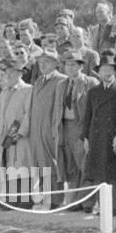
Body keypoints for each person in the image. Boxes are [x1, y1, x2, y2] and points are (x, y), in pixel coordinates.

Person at [79, 51, 116, 213]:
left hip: (112, 137)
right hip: (95, 136)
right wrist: (85, 137)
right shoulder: (93, 92)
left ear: (115, 71)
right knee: (95, 170)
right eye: (104, 69)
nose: (107, 73)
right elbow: (88, 116)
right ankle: (94, 204)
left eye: (110, 69)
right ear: (99, 72)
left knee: (113, 172)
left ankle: (114, 206)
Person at [0, 54, 34, 205]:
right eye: (7, 72)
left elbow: (29, 113)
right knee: (6, 165)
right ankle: (9, 198)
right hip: (4, 137)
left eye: (12, 72)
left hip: (19, 136)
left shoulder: (28, 90)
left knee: (21, 165)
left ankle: (25, 200)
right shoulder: (4, 91)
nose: (8, 75)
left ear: (20, 73)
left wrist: (21, 131)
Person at [26, 46, 68, 203]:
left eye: (47, 62)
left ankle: (56, 200)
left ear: (55, 63)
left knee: (52, 165)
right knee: (41, 164)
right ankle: (47, 197)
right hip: (36, 131)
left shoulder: (61, 80)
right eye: (40, 62)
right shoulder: (38, 81)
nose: (42, 65)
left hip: (50, 131)